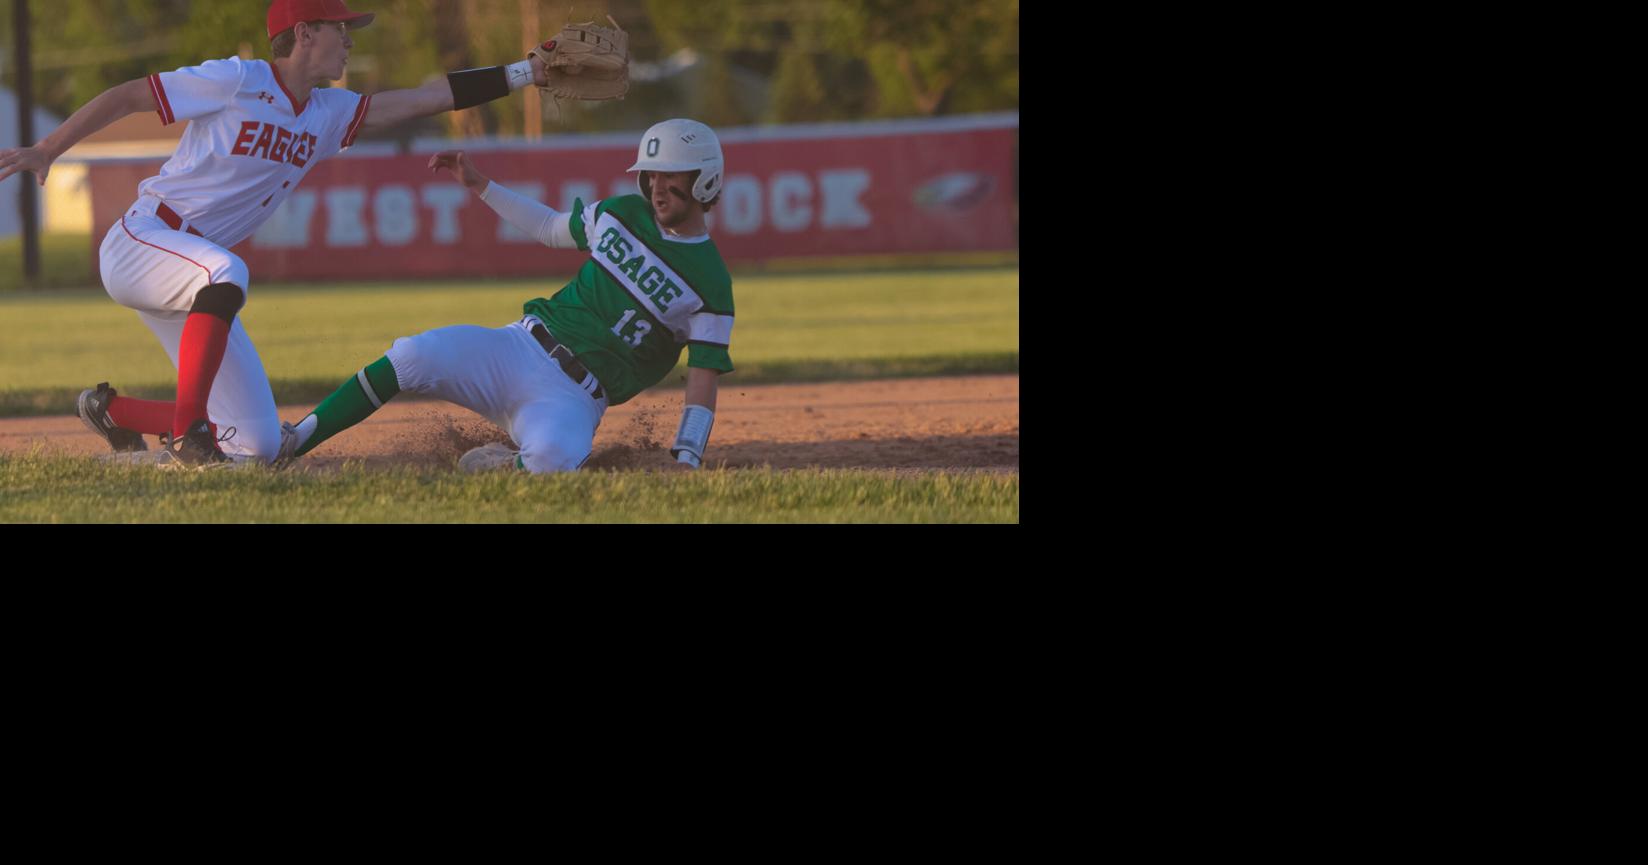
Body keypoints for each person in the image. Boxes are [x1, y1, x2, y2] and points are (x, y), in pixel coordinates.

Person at [0, 0, 558, 466]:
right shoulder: (237, 80)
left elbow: (425, 98)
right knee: (227, 271)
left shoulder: (328, 112)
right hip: (143, 242)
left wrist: (524, 73)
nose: (350, 40)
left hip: (193, 279)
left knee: (258, 445)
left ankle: (112, 412)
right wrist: (47, 148)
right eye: (340, 29)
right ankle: (190, 433)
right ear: (304, 33)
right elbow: (127, 95)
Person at [275, 118, 734, 473]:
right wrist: (481, 186)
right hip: (518, 346)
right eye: (651, 174)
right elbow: (550, 227)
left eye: (671, 176)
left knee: (553, 459)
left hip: (575, 397)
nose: (656, 186)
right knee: (411, 355)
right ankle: (294, 441)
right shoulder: (621, 213)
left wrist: (688, 457)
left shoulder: (711, 282)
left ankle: (503, 464)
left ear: (705, 180)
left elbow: (702, 378)